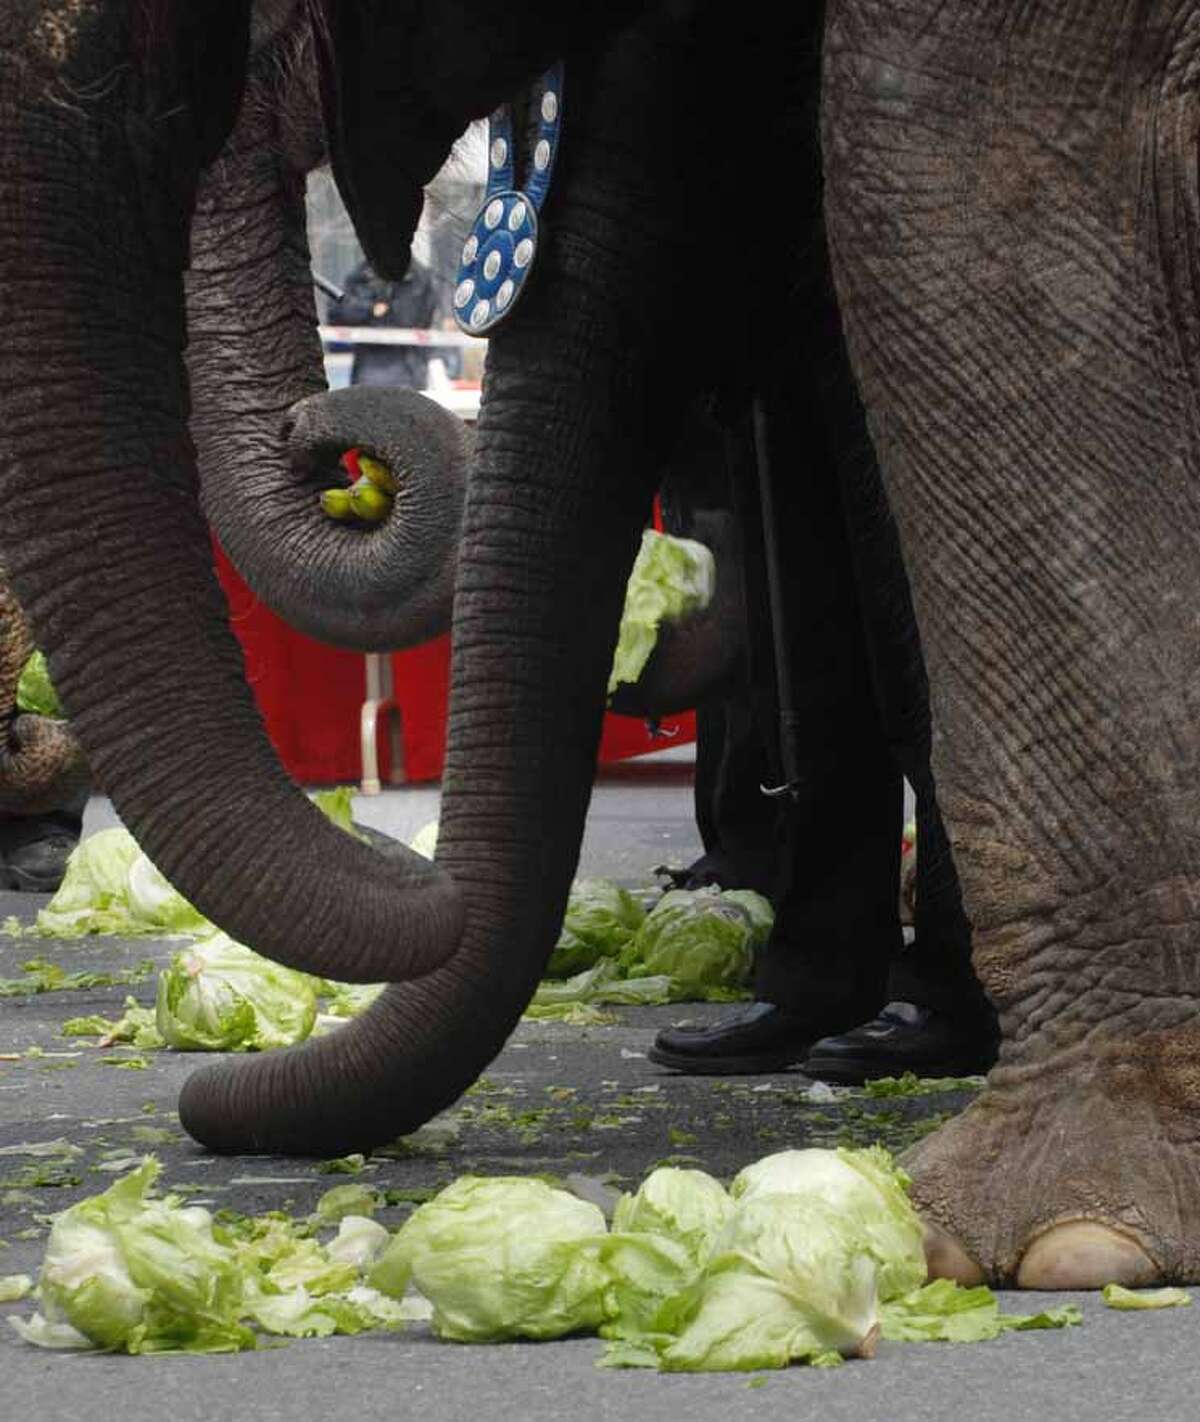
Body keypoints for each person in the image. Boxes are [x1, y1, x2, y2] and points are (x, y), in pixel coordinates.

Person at [648, 383, 998, 1084]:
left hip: (901, 342)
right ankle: (822, 975)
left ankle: (957, 972)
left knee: (919, 658)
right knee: (804, 655)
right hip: (771, 355)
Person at [327, 257, 439, 390]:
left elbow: (411, 319)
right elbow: (337, 312)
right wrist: (370, 309)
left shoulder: (419, 278)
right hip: (368, 373)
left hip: (407, 371)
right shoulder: (361, 275)